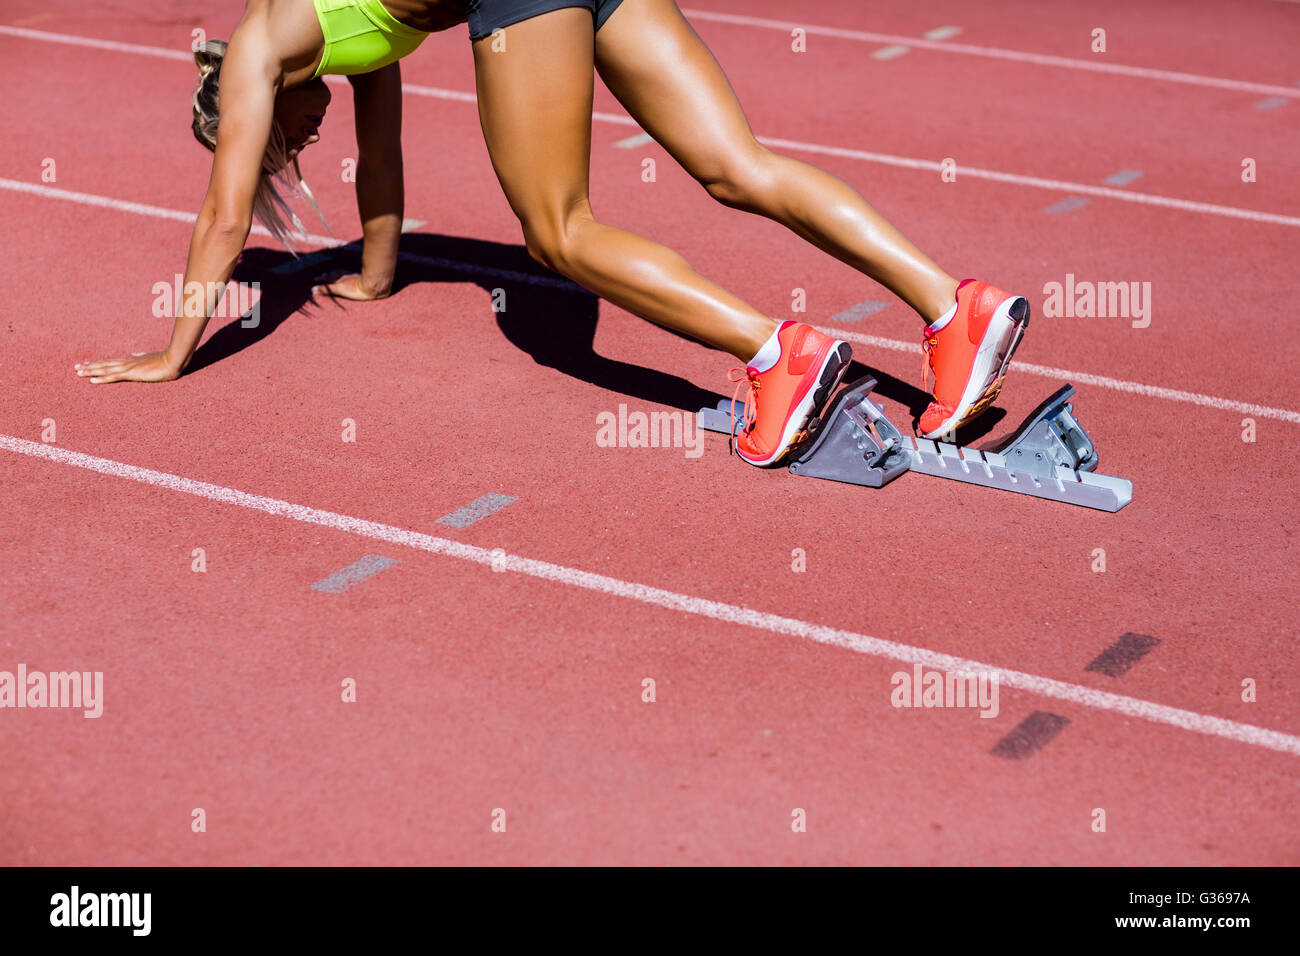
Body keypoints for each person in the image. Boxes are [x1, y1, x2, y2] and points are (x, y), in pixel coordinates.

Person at [76, 0, 1029, 465]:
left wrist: (173, 351)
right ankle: (955, 307)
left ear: (257, 107)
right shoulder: (332, 41)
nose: (302, 145)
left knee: (558, 233)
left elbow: (222, 213)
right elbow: (384, 155)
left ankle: (779, 354)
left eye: (284, 140)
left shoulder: (260, 43)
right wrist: (376, 271)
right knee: (738, 165)